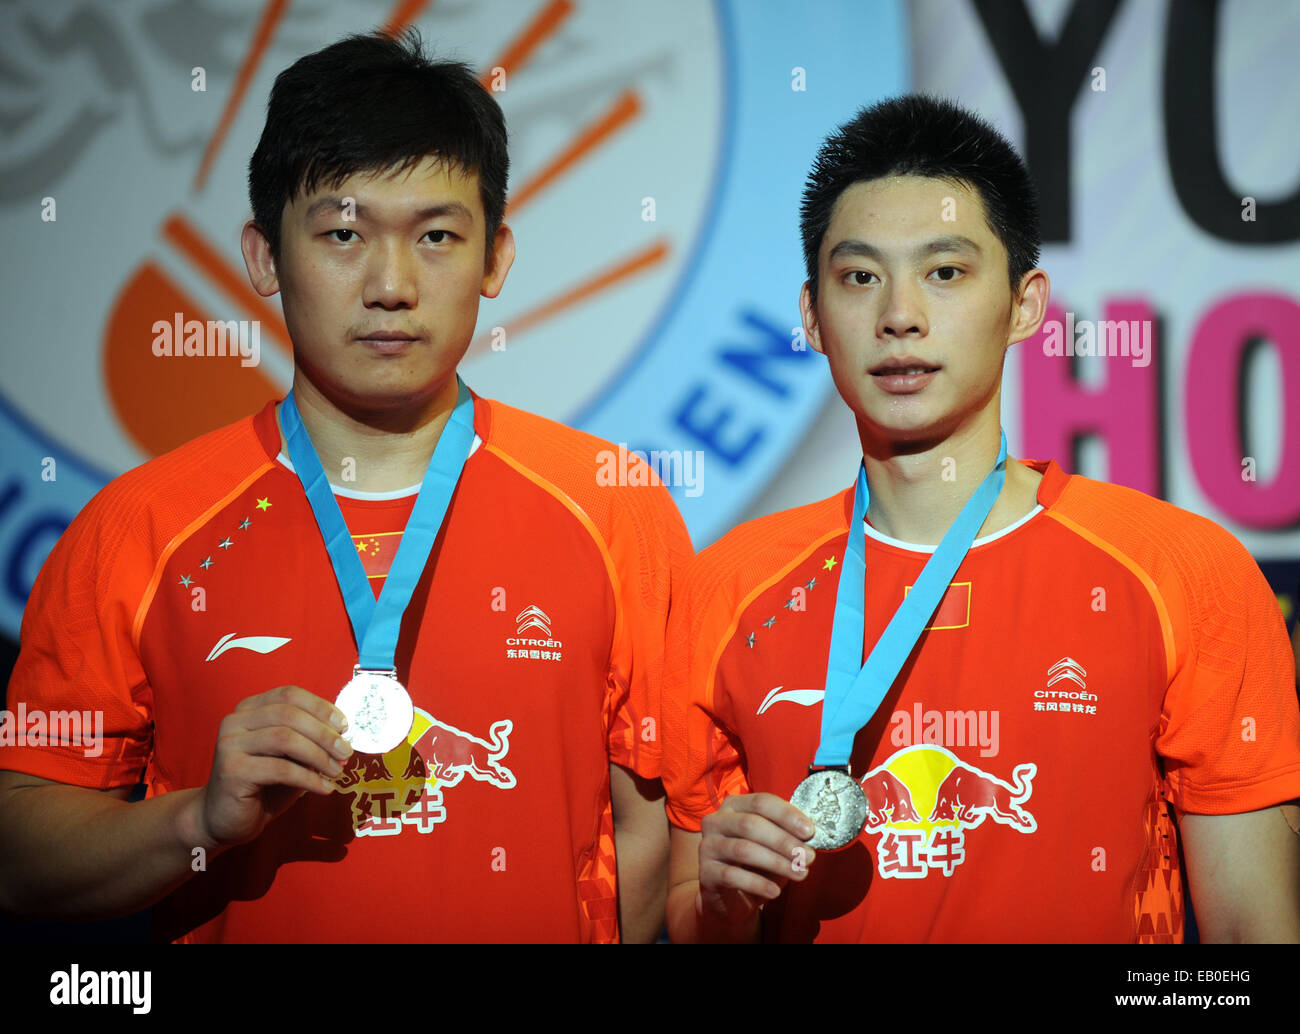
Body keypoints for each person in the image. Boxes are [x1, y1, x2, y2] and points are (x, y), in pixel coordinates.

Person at [0, 30, 690, 943]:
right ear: (262, 259)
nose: (392, 285)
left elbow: (661, 835)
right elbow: (20, 856)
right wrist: (197, 820)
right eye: (342, 234)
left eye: (438, 236)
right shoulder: (138, 527)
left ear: (496, 260)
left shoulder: (613, 505)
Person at [661, 95, 1300, 943]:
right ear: (812, 316)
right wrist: (719, 899)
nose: (899, 315)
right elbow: (682, 912)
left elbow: (1251, 935)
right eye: (859, 276)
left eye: (946, 272)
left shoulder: (1186, 573)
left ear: (1026, 303)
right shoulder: (725, 587)